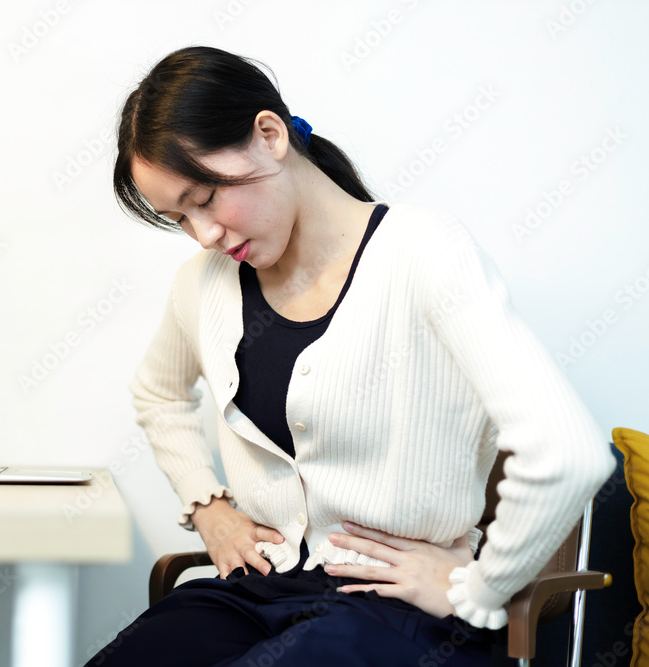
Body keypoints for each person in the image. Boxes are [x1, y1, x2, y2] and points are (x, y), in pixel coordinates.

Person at [85, 45, 614, 666]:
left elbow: (568, 452)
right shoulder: (204, 284)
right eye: (178, 217)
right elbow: (158, 394)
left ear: (269, 136)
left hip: (398, 611)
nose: (203, 235)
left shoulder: (425, 254)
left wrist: (478, 589)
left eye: (204, 198)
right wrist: (209, 507)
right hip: (261, 590)